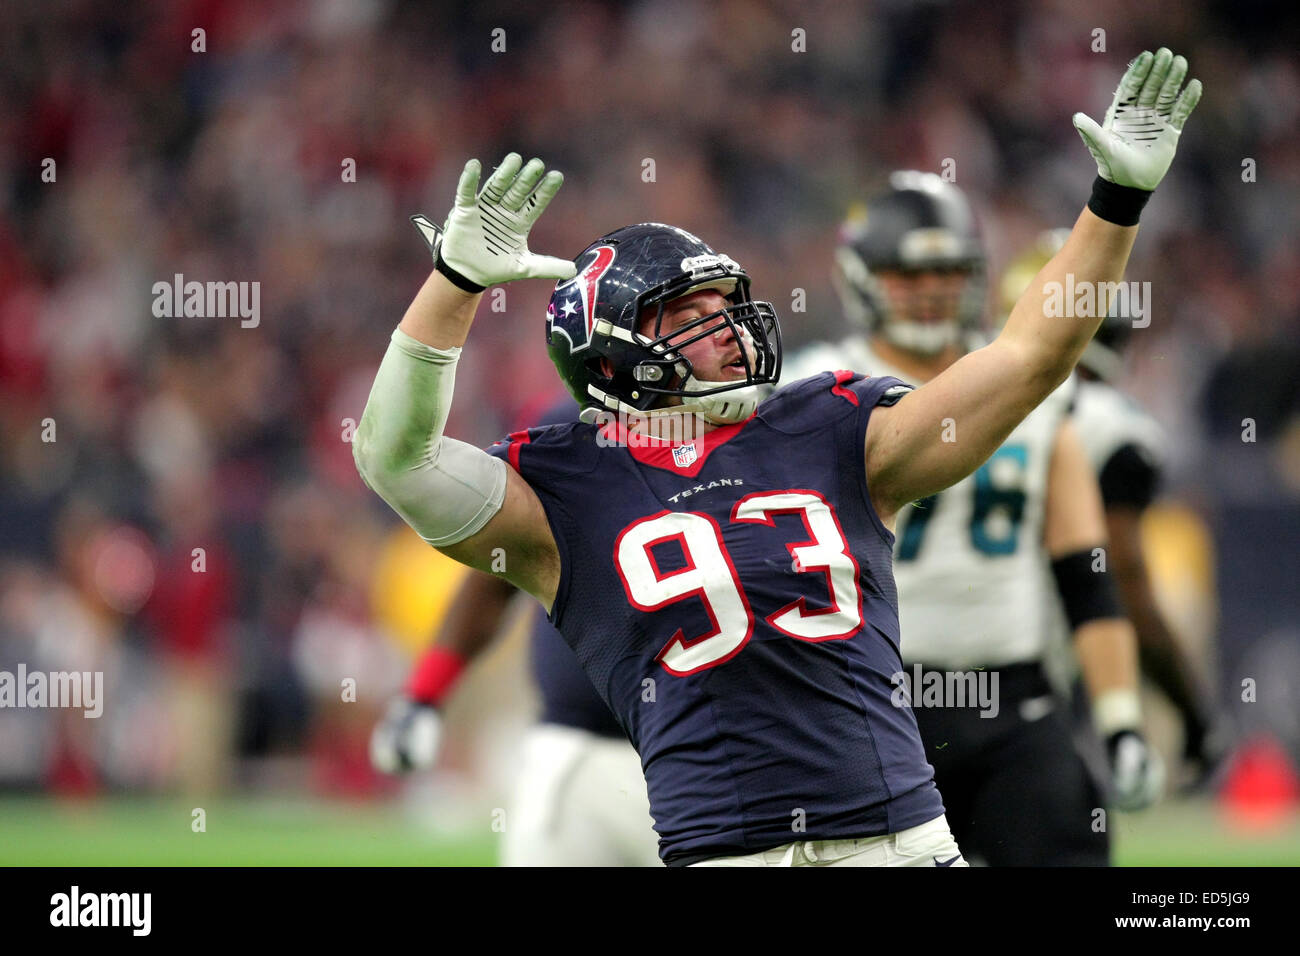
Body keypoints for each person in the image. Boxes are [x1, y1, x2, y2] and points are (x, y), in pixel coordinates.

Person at [352, 49, 1200, 866]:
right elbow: (396, 458)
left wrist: (1116, 200)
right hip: (720, 850)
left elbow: (1025, 360)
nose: (725, 326)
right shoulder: (565, 480)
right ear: (609, 356)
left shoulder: (832, 427)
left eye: (728, 302)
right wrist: (452, 285)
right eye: (688, 311)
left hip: (898, 845)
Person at [780, 175, 1159, 865]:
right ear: (862, 277)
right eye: (908, 272)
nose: (931, 289)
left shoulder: (1025, 385)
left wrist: (1121, 719)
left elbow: (1086, 574)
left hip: (1014, 707)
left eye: (948, 270)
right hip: (865, 704)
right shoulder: (811, 389)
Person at [370, 392, 661, 867]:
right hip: (578, 754)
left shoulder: (767, 428)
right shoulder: (577, 428)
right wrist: (424, 694)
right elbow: (494, 573)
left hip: (716, 761)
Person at [1000, 231, 1227, 788]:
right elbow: (1124, 580)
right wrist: (1192, 710)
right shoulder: (1111, 425)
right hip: (1024, 678)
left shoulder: (958, 398)